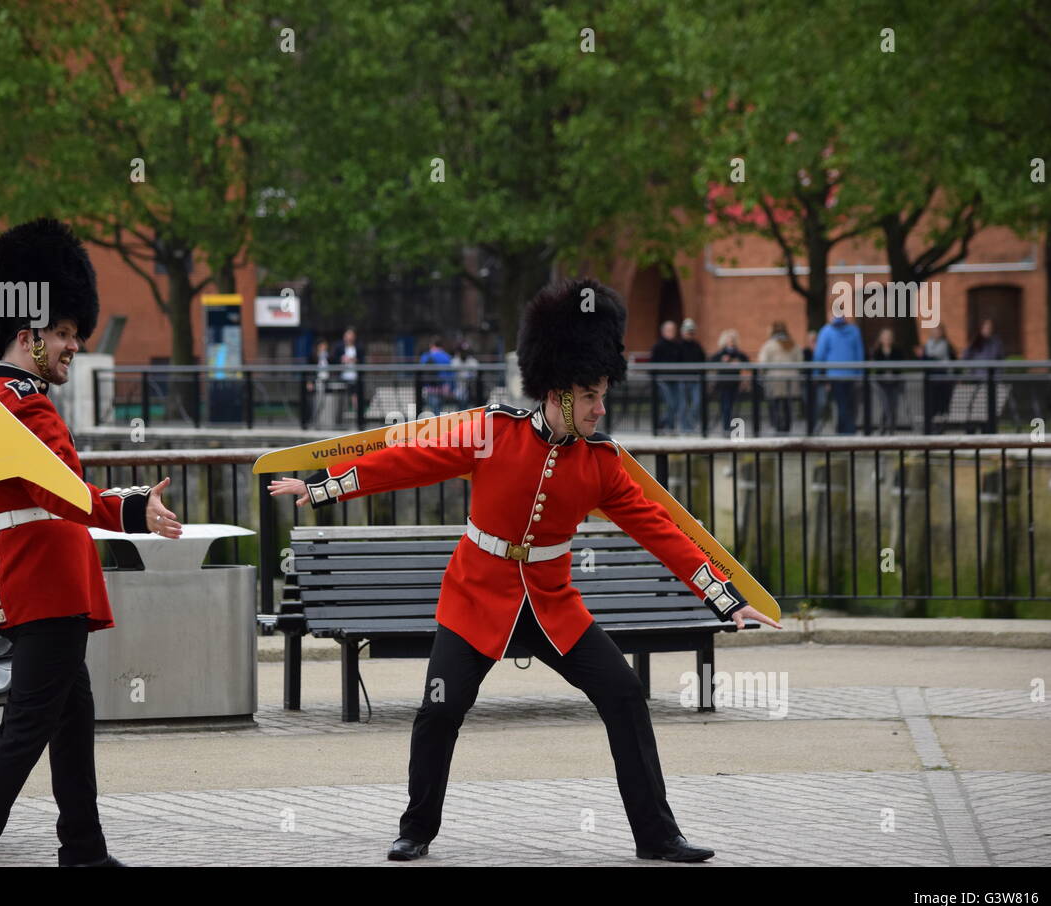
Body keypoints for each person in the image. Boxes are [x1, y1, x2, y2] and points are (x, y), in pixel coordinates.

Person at [268, 278, 781, 864]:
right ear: (559, 393)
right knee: (439, 709)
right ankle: (416, 829)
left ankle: (657, 835)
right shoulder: (494, 433)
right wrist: (325, 486)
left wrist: (724, 597)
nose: (600, 408)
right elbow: (410, 460)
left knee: (624, 694)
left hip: (552, 606)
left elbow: (661, 531)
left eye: (602, 395)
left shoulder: (602, 465)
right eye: (590, 397)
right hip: (477, 598)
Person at [0, 219, 183, 868]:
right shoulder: (29, 406)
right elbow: (64, 494)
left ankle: (84, 851)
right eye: (66, 333)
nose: (74, 346)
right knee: (24, 732)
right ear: (29, 334)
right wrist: (135, 508)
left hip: (20, 584)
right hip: (47, 589)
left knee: (71, 723)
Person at [813, 307, 864, 434]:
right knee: (849, 404)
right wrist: (860, 374)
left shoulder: (826, 331)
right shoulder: (854, 331)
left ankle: (846, 431)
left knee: (841, 404)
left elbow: (819, 355)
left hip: (835, 375)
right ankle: (846, 430)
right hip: (851, 374)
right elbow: (860, 354)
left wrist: (816, 374)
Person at [757, 322, 802, 434]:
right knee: (788, 404)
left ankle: (777, 426)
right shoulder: (793, 344)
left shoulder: (769, 345)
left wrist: (761, 375)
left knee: (775, 403)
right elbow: (800, 361)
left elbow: (763, 362)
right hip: (791, 379)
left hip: (774, 378)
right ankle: (787, 427)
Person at [708, 329, 749, 435]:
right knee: (725, 406)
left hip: (735, 383)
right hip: (723, 383)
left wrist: (738, 363)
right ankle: (726, 428)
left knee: (733, 406)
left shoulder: (738, 353)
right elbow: (711, 361)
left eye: (732, 340)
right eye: (728, 340)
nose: (730, 342)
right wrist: (722, 361)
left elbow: (747, 362)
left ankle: (732, 427)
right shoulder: (721, 353)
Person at [648, 319, 683, 432]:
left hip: (675, 379)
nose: (671, 332)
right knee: (670, 403)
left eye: (673, 330)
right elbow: (652, 364)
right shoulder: (658, 346)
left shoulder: (677, 346)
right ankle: (669, 427)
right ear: (663, 331)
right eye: (668, 330)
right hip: (662, 380)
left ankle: (664, 424)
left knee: (677, 404)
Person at [869, 328, 907, 434]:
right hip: (882, 383)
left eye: (889, 337)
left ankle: (890, 428)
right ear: (881, 339)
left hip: (895, 382)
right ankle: (885, 427)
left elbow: (901, 366)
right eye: (885, 337)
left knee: (893, 405)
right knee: (886, 405)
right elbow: (875, 367)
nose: (887, 339)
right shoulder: (876, 351)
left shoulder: (897, 351)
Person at [678, 318, 706, 434]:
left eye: (691, 331)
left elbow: (703, 361)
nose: (689, 334)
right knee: (683, 405)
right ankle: (685, 429)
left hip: (696, 379)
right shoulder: (678, 346)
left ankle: (691, 425)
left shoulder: (697, 346)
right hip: (682, 379)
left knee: (696, 403)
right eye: (687, 331)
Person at [419, 337, 454, 414]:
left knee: (434, 408)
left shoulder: (426, 356)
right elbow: (451, 374)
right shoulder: (447, 357)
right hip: (444, 387)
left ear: (432, 345)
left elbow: (422, 371)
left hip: (430, 387)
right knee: (440, 408)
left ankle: (437, 422)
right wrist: (451, 388)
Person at [332, 327, 360, 421]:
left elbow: (362, 360)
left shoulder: (358, 347)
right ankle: (339, 418)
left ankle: (357, 417)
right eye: (347, 335)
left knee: (355, 396)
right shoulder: (339, 347)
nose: (349, 337)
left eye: (351, 335)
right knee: (342, 397)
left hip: (354, 376)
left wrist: (354, 360)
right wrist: (341, 359)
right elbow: (334, 360)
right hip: (343, 376)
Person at [451, 341, 479, 405]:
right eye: (462, 351)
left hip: (470, 389)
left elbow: (475, 374)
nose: (464, 353)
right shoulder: (455, 361)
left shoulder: (472, 361)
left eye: (465, 352)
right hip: (457, 389)